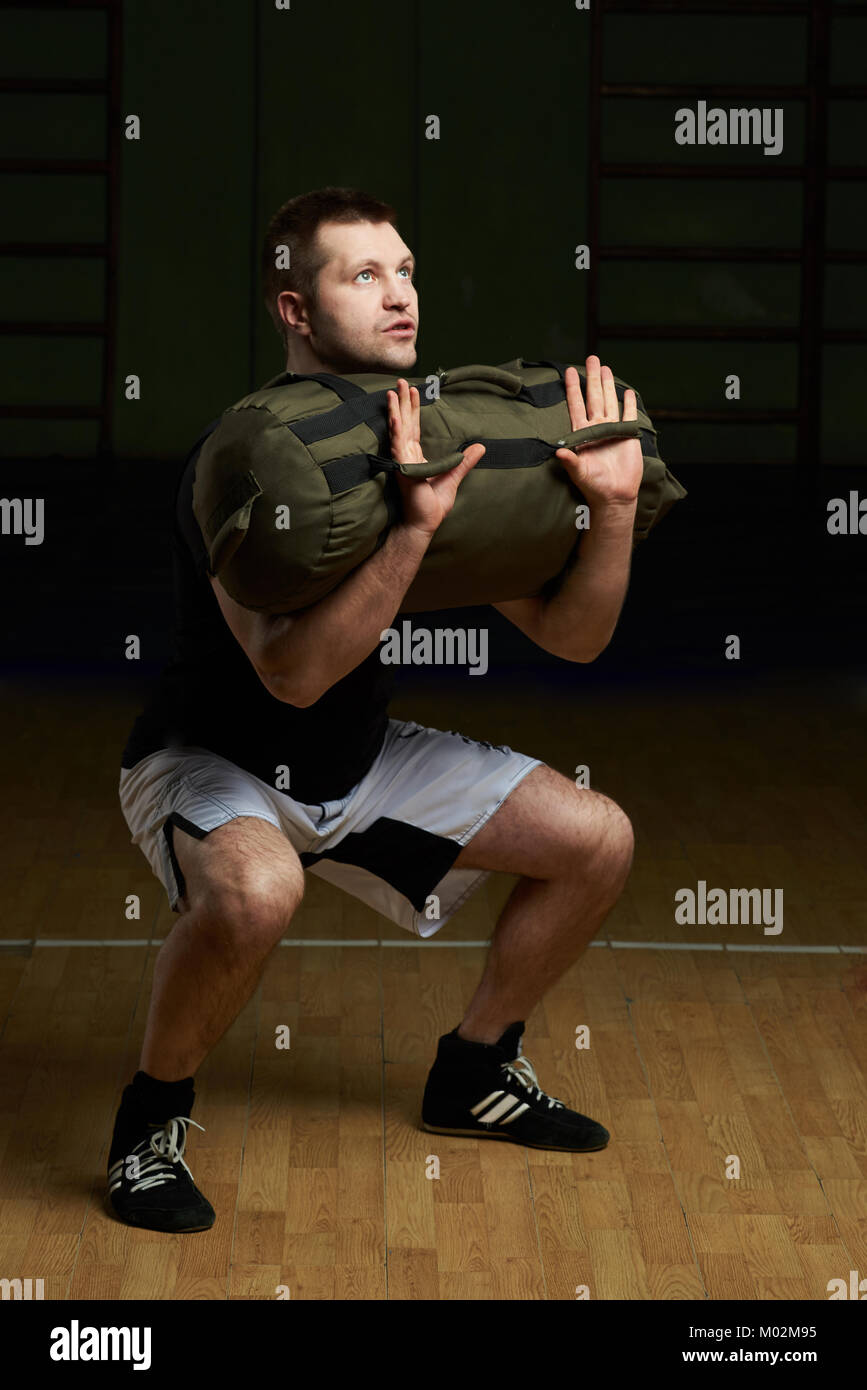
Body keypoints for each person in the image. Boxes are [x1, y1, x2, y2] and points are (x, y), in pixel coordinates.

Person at [108, 187, 641, 1233]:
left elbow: (572, 636)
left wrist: (612, 511)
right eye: (364, 275)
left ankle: (475, 1071)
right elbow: (289, 673)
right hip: (215, 760)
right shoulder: (246, 456)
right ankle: (147, 1125)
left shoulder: (428, 432)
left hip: (358, 762)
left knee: (599, 839)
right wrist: (408, 534)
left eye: (405, 271)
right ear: (294, 309)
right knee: (257, 896)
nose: (399, 296)